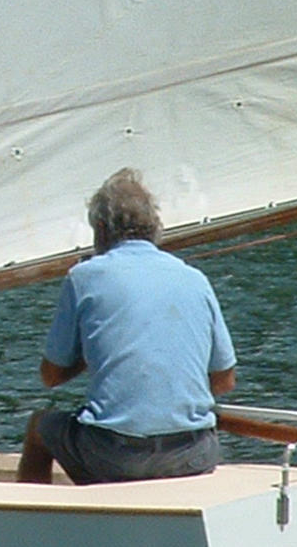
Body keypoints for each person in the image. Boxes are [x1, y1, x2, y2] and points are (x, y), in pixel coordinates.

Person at [18, 168, 237, 485]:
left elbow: (50, 377)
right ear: (154, 228)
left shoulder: (84, 277)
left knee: (39, 429)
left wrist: (93, 350)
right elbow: (225, 381)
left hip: (115, 455)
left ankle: (32, 526)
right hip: (195, 452)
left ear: (102, 229)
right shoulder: (195, 278)